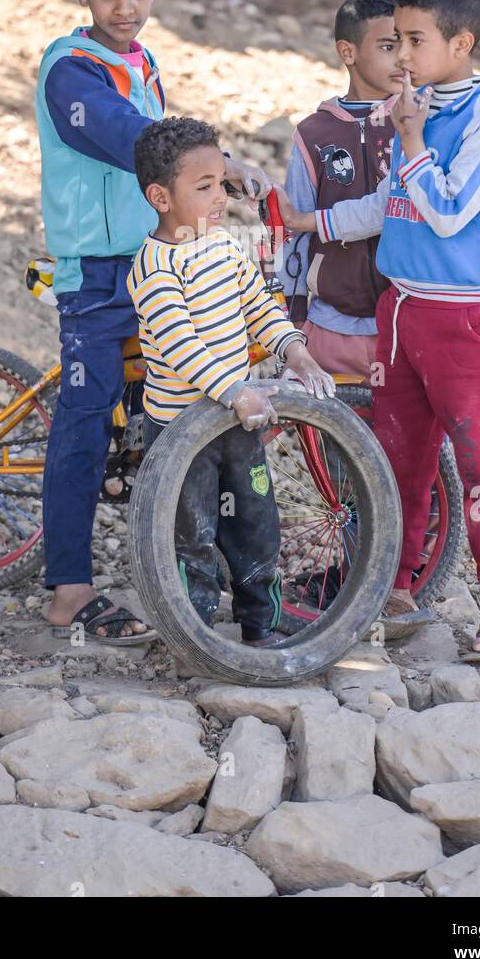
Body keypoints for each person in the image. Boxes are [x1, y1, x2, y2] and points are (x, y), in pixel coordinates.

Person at [278, 0, 480, 660]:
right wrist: (313, 221)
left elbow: (448, 211)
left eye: (415, 41)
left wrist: (414, 139)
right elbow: (388, 206)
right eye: (395, 39)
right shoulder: (416, 108)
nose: (403, 56)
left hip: (464, 317)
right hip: (401, 312)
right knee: (396, 457)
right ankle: (395, 584)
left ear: (461, 43)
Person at [35, 0, 271, 642]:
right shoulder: (69, 70)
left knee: (171, 387)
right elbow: (130, 138)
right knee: (86, 413)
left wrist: (209, 181)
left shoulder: (143, 62)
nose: (124, 7)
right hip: (94, 267)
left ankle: (190, 561)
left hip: (148, 256)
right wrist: (219, 165)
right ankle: (70, 590)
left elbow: (161, 145)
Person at [127, 116, 335, 645]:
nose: (219, 197)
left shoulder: (222, 247)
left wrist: (296, 351)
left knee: (255, 526)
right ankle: (192, 639)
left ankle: (260, 626)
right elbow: (181, 348)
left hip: (237, 424)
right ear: (159, 197)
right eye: (203, 187)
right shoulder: (154, 268)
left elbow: (259, 307)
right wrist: (236, 391)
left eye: (221, 183)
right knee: (191, 537)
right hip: (181, 430)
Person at [279, 0, 404, 378]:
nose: (402, 58)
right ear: (347, 52)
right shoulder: (313, 134)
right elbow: (292, 229)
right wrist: (292, 319)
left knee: (397, 416)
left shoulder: (414, 121)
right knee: (322, 414)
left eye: (407, 45)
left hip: (403, 321)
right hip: (328, 326)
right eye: (388, 46)